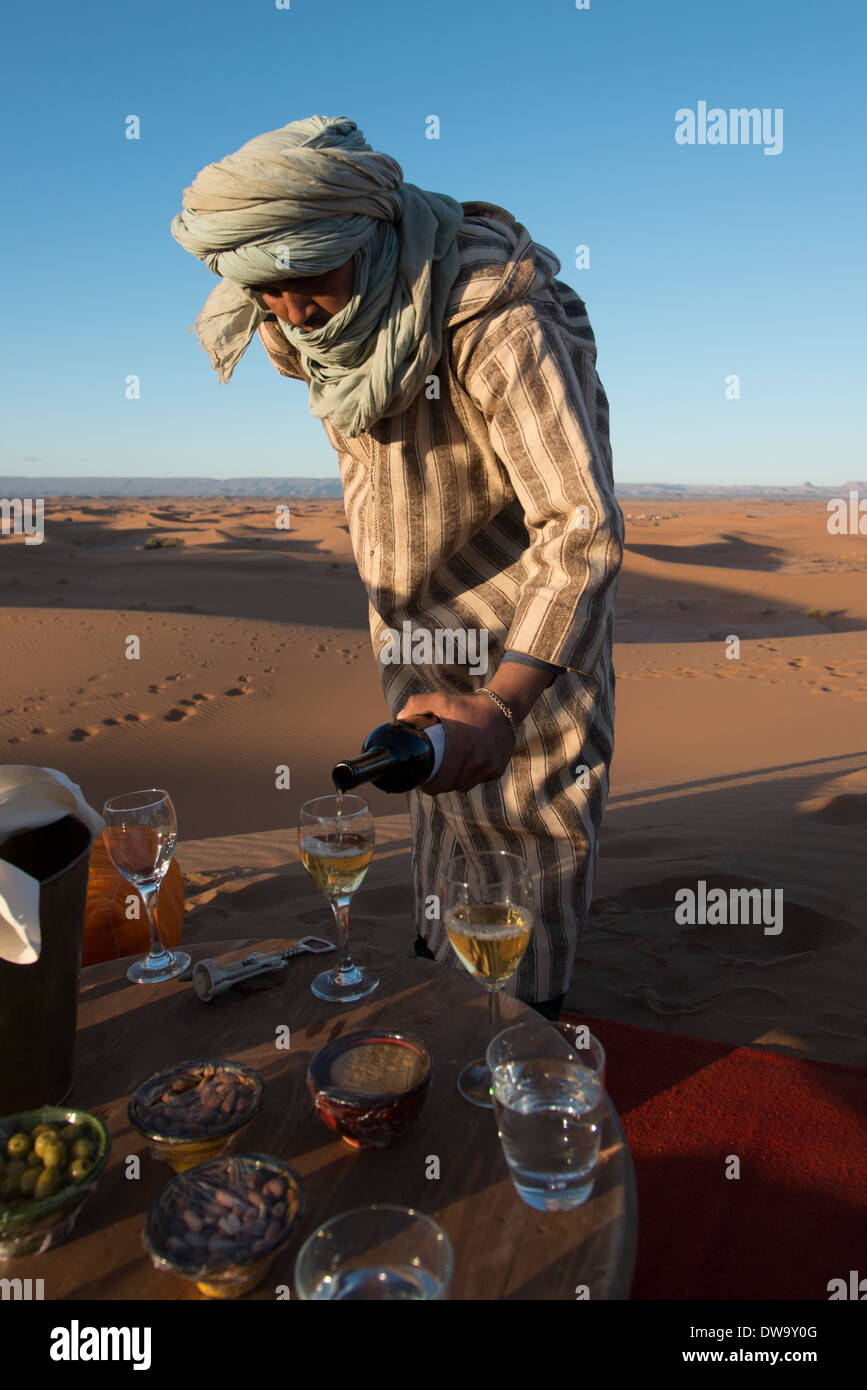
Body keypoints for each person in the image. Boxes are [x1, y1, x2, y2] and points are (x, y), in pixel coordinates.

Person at [172, 115, 623, 1020]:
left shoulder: (496, 324)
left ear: (369, 240)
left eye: (311, 283)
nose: (293, 316)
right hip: (418, 641)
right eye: (266, 294)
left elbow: (580, 529)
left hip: (520, 651)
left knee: (517, 872)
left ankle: (508, 1098)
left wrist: (501, 704)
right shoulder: (302, 315)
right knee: (438, 849)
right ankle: (446, 1037)